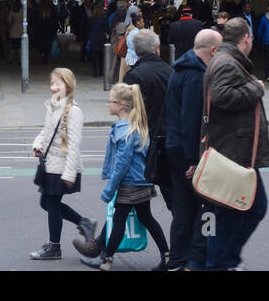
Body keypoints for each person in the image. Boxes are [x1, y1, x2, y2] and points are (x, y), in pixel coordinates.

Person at [199, 17, 269, 271]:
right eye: (251, 38)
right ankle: (221, 263)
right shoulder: (227, 63)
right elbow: (221, 97)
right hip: (234, 151)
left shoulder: (225, 60)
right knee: (244, 209)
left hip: (235, 149)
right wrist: (255, 89)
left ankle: (224, 261)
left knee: (239, 210)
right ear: (246, 38)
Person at [71, 83, 170, 270]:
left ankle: (106, 260)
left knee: (118, 222)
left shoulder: (125, 132)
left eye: (111, 101)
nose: (108, 104)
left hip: (130, 184)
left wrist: (109, 189)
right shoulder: (134, 127)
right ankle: (166, 254)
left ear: (122, 105)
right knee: (145, 217)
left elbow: (121, 166)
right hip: (140, 181)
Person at [164, 27, 219, 270]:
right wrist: (193, 160)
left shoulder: (180, 68)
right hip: (187, 152)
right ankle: (199, 257)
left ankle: (178, 258)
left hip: (174, 146)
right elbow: (192, 120)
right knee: (205, 207)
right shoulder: (197, 76)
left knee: (183, 208)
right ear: (213, 50)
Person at [28, 68, 96, 260]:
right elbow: (47, 131)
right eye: (52, 83)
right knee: (47, 202)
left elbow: (74, 144)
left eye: (59, 83)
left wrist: (69, 173)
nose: (54, 87)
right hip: (51, 163)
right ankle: (84, 223)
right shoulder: (53, 105)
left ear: (69, 86)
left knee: (50, 202)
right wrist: (37, 144)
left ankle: (54, 247)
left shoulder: (74, 111)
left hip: (63, 165)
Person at [124, 28, 174, 210]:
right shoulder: (171, 72)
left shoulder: (133, 76)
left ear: (136, 51)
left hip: (143, 141)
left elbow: (129, 112)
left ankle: (102, 239)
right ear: (157, 48)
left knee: (129, 196)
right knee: (172, 199)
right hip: (167, 141)